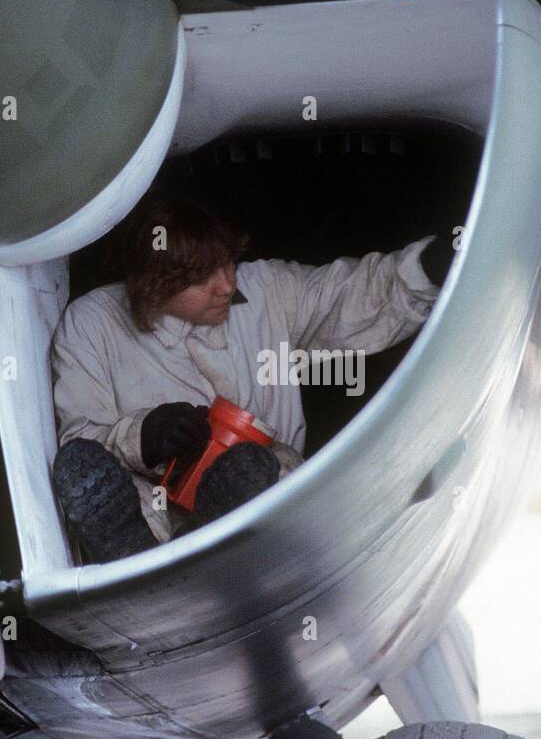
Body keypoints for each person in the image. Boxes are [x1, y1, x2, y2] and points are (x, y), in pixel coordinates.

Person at [50, 194, 453, 561]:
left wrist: (425, 269)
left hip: (267, 490)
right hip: (156, 509)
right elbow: (80, 441)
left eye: (226, 263)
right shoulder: (92, 323)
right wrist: (144, 436)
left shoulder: (267, 290)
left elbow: (345, 296)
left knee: (254, 470)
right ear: (151, 286)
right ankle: (141, 558)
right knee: (112, 485)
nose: (226, 286)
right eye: (200, 278)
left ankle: (181, 555)